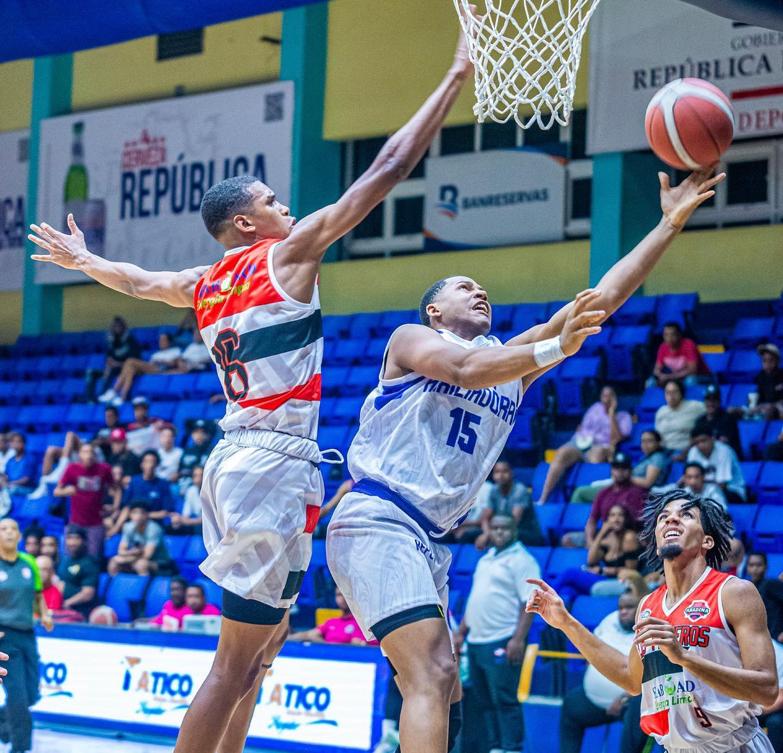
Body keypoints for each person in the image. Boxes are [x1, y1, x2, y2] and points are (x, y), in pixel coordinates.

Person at [29, 25, 480, 751]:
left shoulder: (202, 282)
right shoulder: (287, 255)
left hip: (253, 461)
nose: (288, 207)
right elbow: (388, 167)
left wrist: (86, 259)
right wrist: (454, 76)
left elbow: (138, 280)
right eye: (274, 200)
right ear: (247, 222)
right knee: (235, 660)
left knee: (261, 657)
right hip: (267, 462)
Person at [326, 168, 724, 753]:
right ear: (434, 311)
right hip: (378, 517)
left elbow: (600, 303)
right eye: (462, 286)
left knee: (447, 688)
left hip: (428, 538)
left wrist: (668, 223)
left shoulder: (511, 362)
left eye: (481, 286)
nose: (478, 290)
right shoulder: (410, 343)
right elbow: (463, 370)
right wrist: (555, 347)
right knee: (432, 676)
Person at [526, 489, 778, 753]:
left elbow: (767, 690)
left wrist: (686, 658)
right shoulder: (648, 605)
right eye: (664, 517)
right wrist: (566, 622)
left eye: (686, 515)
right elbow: (630, 678)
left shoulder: (733, 592)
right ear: (657, 543)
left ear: (707, 541)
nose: (671, 520)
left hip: (734, 745)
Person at [454, 515, 540, 753]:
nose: (500, 532)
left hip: (503, 638)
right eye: (496, 528)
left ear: (515, 530)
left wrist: (518, 639)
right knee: (484, 700)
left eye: (505, 528)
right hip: (475, 639)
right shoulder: (486, 559)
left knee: (504, 699)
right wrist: (461, 633)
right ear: (489, 530)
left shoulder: (523, 561)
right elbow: (474, 599)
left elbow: (530, 602)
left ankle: (512, 747)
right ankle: (495, 747)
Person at [558, 592, 647, 753]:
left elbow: (652, 674)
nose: (623, 611)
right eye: (620, 607)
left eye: (629, 607)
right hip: (594, 700)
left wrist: (626, 697)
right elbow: (593, 650)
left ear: (642, 608)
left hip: (629, 703)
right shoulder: (610, 620)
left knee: (639, 708)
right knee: (571, 704)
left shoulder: (651, 627)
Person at [0, 518, 50, 753]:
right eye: (3, 529)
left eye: (13, 529)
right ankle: (19, 748)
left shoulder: (29, 562)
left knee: (31, 694)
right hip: (4, 636)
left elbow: (38, 595)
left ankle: (3, 722)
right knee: (18, 695)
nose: (9, 532)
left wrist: (46, 615)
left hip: (28, 634)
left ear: (19, 536)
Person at [538, 385, 632, 504]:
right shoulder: (594, 408)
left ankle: (588, 500)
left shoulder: (624, 416)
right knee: (562, 453)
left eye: (610, 396)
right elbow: (582, 428)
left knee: (597, 454)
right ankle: (544, 498)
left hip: (602, 447)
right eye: (604, 395)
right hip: (581, 443)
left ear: (616, 398)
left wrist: (611, 414)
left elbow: (616, 438)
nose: (606, 399)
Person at [555, 504, 642, 601]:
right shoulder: (608, 537)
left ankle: (543, 599)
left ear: (626, 519)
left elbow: (631, 571)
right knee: (568, 591)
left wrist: (603, 570)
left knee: (569, 573)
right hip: (604, 577)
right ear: (607, 519)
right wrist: (601, 533)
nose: (616, 519)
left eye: (620, 515)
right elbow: (591, 560)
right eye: (612, 515)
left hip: (621, 581)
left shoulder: (629, 538)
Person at [571, 430, 669, 504]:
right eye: (643, 441)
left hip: (631, 491)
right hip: (622, 486)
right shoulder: (646, 457)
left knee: (580, 493)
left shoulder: (658, 458)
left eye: (649, 441)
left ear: (658, 443)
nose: (645, 445)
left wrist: (624, 477)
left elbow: (648, 482)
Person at [571, 452, 647, 548]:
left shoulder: (637, 492)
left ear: (630, 471)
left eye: (623, 468)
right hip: (605, 535)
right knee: (568, 539)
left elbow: (641, 522)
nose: (620, 472)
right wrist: (590, 540)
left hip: (627, 536)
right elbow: (592, 520)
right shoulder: (603, 493)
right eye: (616, 468)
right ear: (611, 470)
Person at [55, 442, 114, 558]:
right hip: (76, 521)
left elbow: (116, 489)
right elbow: (56, 491)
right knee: (69, 556)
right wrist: (66, 491)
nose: (89, 455)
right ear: (79, 455)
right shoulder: (72, 469)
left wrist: (114, 507)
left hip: (96, 522)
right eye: (85, 452)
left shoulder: (104, 469)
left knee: (93, 557)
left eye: (91, 452)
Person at [99, 331, 182, 406]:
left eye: (163, 340)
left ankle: (114, 391)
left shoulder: (175, 350)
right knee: (130, 369)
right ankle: (122, 397)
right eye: (160, 340)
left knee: (130, 360)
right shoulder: (156, 353)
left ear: (169, 342)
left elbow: (176, 364)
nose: (161, 342)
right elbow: (150, 364)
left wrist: (162, 362)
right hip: (151, 369)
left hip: (162, 369)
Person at [476, 461, 544, 548]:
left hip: (525, 531)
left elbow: (513, 521)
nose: (500, 475)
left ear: (512, 473)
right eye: (497, 472)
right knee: (468, 535)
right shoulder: (494, 490)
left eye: (504, 471)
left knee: (500, 537)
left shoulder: (520, 490)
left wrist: (492, 534)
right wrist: (487, 533)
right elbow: (485, 518)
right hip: (502, 528)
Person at [108, 450, 174, 535]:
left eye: (152, 462)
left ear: (157, 465)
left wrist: (143, 516)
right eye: (146, 461)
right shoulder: (134, 482)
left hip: (154, 526)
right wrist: (116, 527)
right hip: (133, 524)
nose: (150, 465)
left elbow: (166, 512)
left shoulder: (163, 484)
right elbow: (127, 508)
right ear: (142, 464)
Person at [289, 587, 378, 646]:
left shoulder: (363, 622)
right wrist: (285, 639)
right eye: (339, 595)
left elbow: (356, 647)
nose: (342, 598)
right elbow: (308, 635)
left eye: (346, 594)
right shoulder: (331, 622)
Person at [108, 502, 171, 576]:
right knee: (114, 562)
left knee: (141, 564)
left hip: (160, 562)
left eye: (142, 513)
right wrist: (132, 553)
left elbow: (147, 555)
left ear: (147, 515)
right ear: (130, 515)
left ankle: (146, 587)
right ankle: (117, 586)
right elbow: (121, 551)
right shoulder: (128, 527)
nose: (138, 516)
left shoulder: (154, 529)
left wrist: (125, 558)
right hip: (136, 558)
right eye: (135, 513)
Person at [686, 428, 746, 503]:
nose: (700, 445)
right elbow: (691, 478)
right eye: (697, 443)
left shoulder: (724, 451)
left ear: (712, 438)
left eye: (703, 441)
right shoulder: (693, 451)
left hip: (732, 491)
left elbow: (721, 485)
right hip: (704, 491)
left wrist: (699, 481)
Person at [92, 316, 141, 401]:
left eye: (119, 326)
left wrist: (118, 364)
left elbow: (135, 360)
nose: (117, 328)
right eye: (115, 326)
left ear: (123, 327)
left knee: (128, 368)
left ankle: (120, 395)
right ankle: (95, 398)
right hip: (115, 367)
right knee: (92, 373)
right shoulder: (111, 341)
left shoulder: (131, 340)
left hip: (128, 367)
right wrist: (109, 365)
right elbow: (109, 357)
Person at [57, 525, 100, 620]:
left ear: (84, 541)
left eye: (77, 538)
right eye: (69, 538)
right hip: (60, 608)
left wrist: (67, 603)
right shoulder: (64, 560)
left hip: (80, 611)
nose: (72, 543)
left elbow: (88, 594)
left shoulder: (89, 563)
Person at [655, 380, 705, 456]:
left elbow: (712, 407)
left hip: (684, 450)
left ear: (681, 393)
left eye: (675, 392)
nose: (671, 396)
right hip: (663, 451)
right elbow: (657, 435)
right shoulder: (661, 411)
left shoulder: (694, 406)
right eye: (668, 392)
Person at [651, 321, 707, 387]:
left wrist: (669, 377)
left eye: (672, 334)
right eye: (666, 335)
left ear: (679, 335)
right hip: (675, 378)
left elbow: (692, 371)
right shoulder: (663, 347)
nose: (669, 338)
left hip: (700, 376)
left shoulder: (688, 344)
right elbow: (656, 369)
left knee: (690, 381)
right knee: (651, 382)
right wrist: (660, 376)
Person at [694, 384, 742, 458]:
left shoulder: (728, 418)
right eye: (708, 400)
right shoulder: (700, 421)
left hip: (727, 458)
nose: (711, 403)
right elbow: (695, 442)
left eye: (714, 400)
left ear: (719, 401)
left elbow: (724, 442)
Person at [747, 552, 783, 643]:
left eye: (759, 565)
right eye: (751, 565)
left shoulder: (771, 584)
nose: (755, 569)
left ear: (766, 566)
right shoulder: (746, 587)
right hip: (759, 640)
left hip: (776, 641)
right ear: (747, 567)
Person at [760, 640, 783, 753]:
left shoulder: (778, 653)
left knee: (775, 723)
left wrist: (753, 711)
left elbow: (781, 699)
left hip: (773, 708)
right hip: (752, 706)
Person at [751, 344, 783, 420]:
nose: (767, 364)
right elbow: (759, 399)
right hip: (764, 407)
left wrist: (773, 406)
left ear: (777, 361)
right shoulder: (760, 377)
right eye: (764, 360)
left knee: (768, 411)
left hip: (779, 408)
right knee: (734, 411)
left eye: (771, 360)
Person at [177, 420, 213, 486]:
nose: (199, 435)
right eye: (196, 432)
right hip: (182, 484)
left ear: (208, 435)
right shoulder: (187, 451)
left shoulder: (213, 452)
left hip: (203, 486)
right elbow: (179, 470)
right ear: (192, 434)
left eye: (203, 432)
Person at [170, 465, 204, 533]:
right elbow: (186, 514)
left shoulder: (214, 491)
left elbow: (213, 518)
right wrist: (179, 519)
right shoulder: (191, 490)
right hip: (198, 525)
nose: (199, 478)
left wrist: (191, 521)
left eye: (201, 475)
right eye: (195, 475)